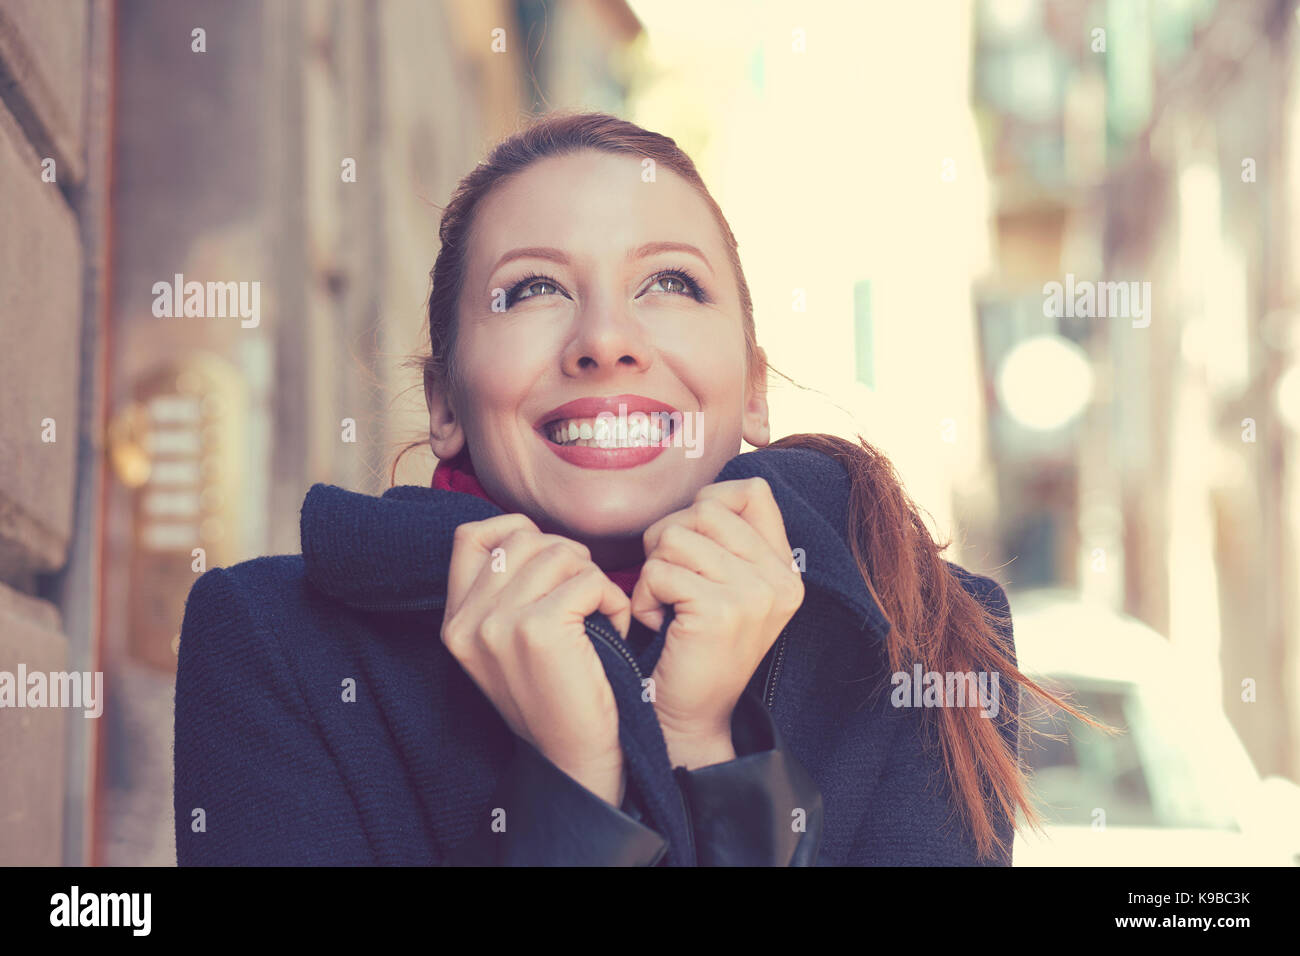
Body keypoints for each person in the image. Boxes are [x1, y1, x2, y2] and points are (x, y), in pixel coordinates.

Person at [174, 110, 1092, 866]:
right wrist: (575, 786)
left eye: (670, 283)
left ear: (755, 391)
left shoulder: (918, 635)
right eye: (532, 288)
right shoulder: (270, 643)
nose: (605, 339)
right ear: (444, 401)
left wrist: (705, 752)